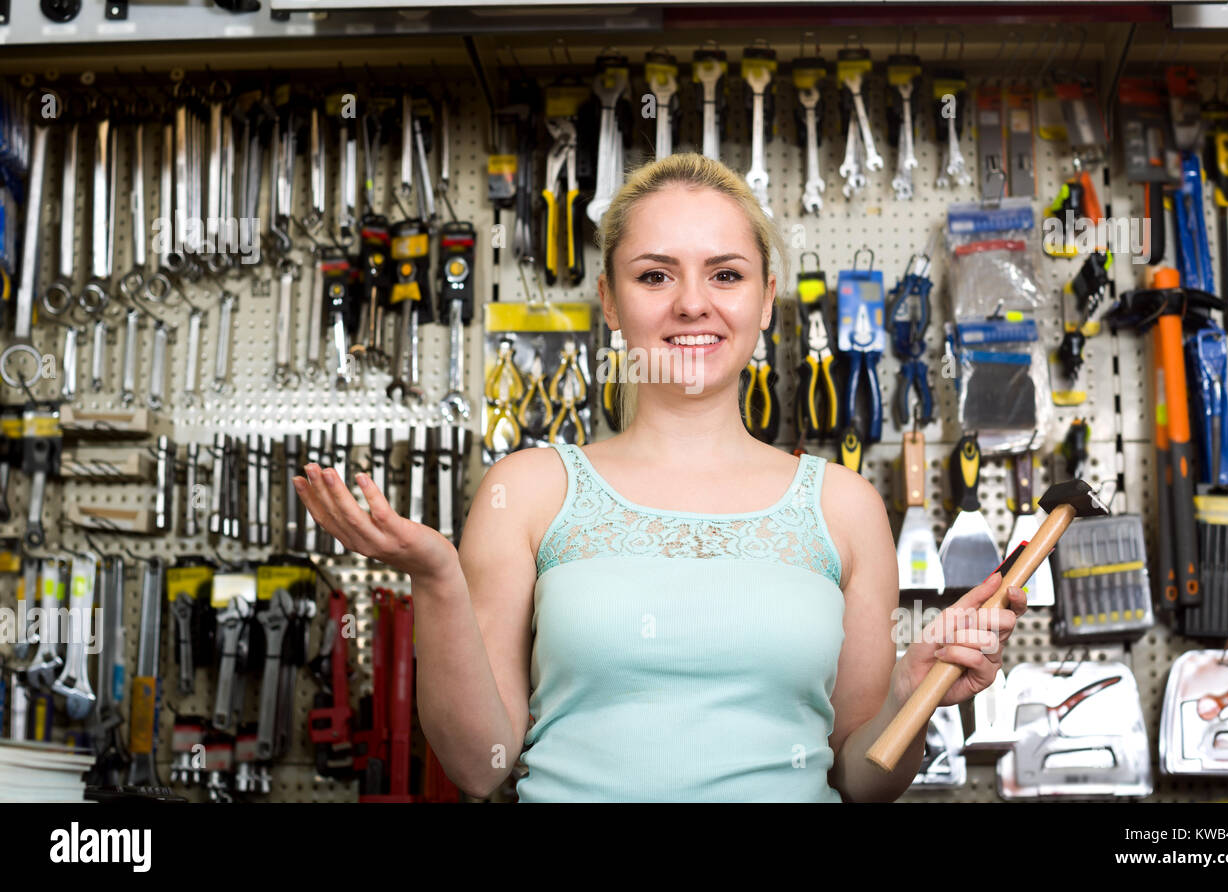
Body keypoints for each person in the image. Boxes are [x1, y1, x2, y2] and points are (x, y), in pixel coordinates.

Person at [292, 151, 1027, 802]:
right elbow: (480, 766)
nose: (692, 304)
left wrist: (912, 692)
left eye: (726, 274)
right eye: (654, 275)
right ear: (609, 300)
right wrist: (438, 578)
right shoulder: (528, 492)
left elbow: (860, 781)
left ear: (767, 299)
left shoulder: (846, 506)